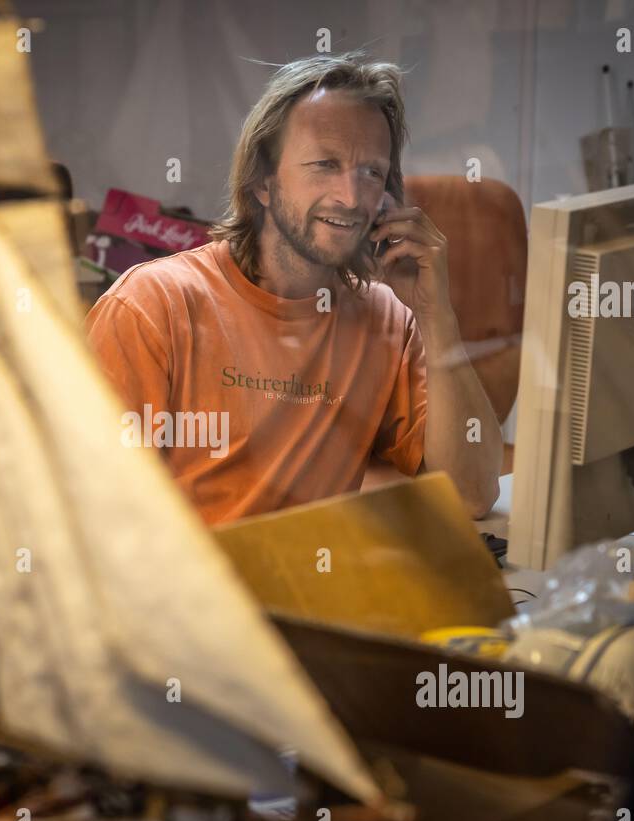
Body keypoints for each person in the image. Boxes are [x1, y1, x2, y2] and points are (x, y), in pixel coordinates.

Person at [85, 53, 501, 526]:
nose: (350, 197)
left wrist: (436, 316)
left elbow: (469, 495)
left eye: (371, 172)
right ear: (263, 182)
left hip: (311, 587)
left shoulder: (385, 318)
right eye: (325, 164)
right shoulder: (151, 307)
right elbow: (93, 519)